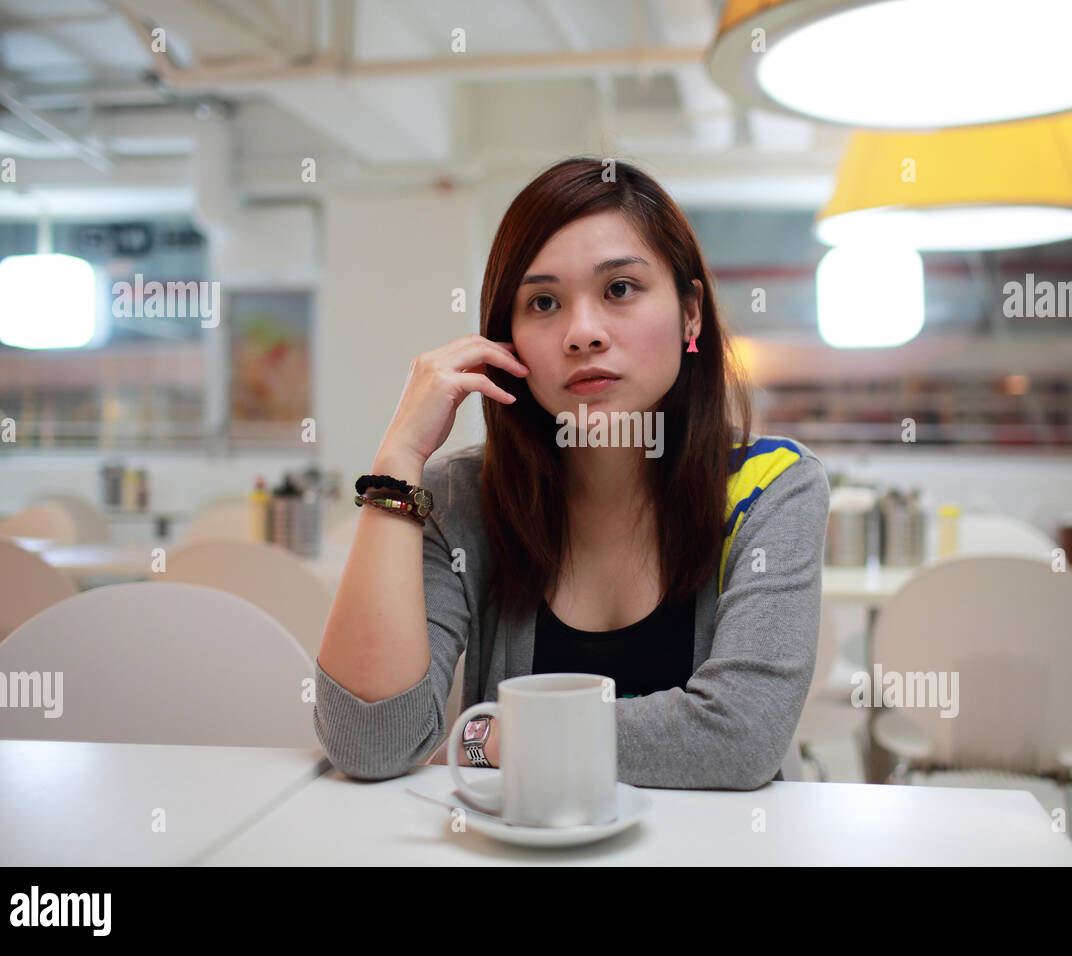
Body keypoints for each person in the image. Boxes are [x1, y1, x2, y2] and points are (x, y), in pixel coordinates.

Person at [314, 156, 831, 790]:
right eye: (543, 302)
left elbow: (738, 739)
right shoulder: (460, 498)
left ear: (691, 312)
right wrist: (397, 462)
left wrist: (491, 735)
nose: (582, 333)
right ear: (507, 342)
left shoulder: (773, 486)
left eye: (620, 289)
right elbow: (371, 745)